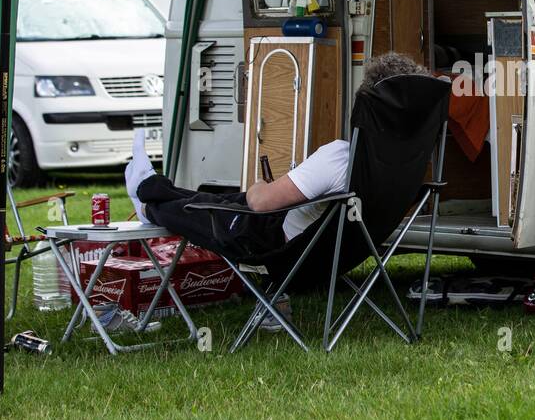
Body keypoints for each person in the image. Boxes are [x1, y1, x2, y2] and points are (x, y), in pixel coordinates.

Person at [125, 52, 431, 264]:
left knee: (220, 208)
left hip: (280, 248)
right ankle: (152, 186)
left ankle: (148, 205)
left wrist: (259, 187)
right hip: (334, 255)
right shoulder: (407, 164)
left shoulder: (340, 158)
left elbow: (261, 204)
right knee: (222, 201)